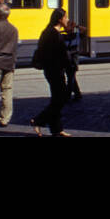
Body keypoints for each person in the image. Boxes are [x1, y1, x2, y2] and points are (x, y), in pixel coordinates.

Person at [30, 8, 72, 137]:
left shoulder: (49, 32)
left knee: (56, 98)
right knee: (62, 98)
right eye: (66, 17)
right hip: (55, 70)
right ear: (60, 19)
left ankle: (56, 129)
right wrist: (69, 67)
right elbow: (62, 54)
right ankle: (38, 120)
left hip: (50, 69)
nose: (68, 20)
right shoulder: (54, 34)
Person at [61, 15, 84, 99]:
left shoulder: (76, 35)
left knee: (70, 78)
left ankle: (68, 95)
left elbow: (85, 30)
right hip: (67, 60)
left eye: (68, 27)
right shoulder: (63, 36)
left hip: (73, 60)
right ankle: (78, 94)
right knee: (71, 77)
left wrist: (76, 26)